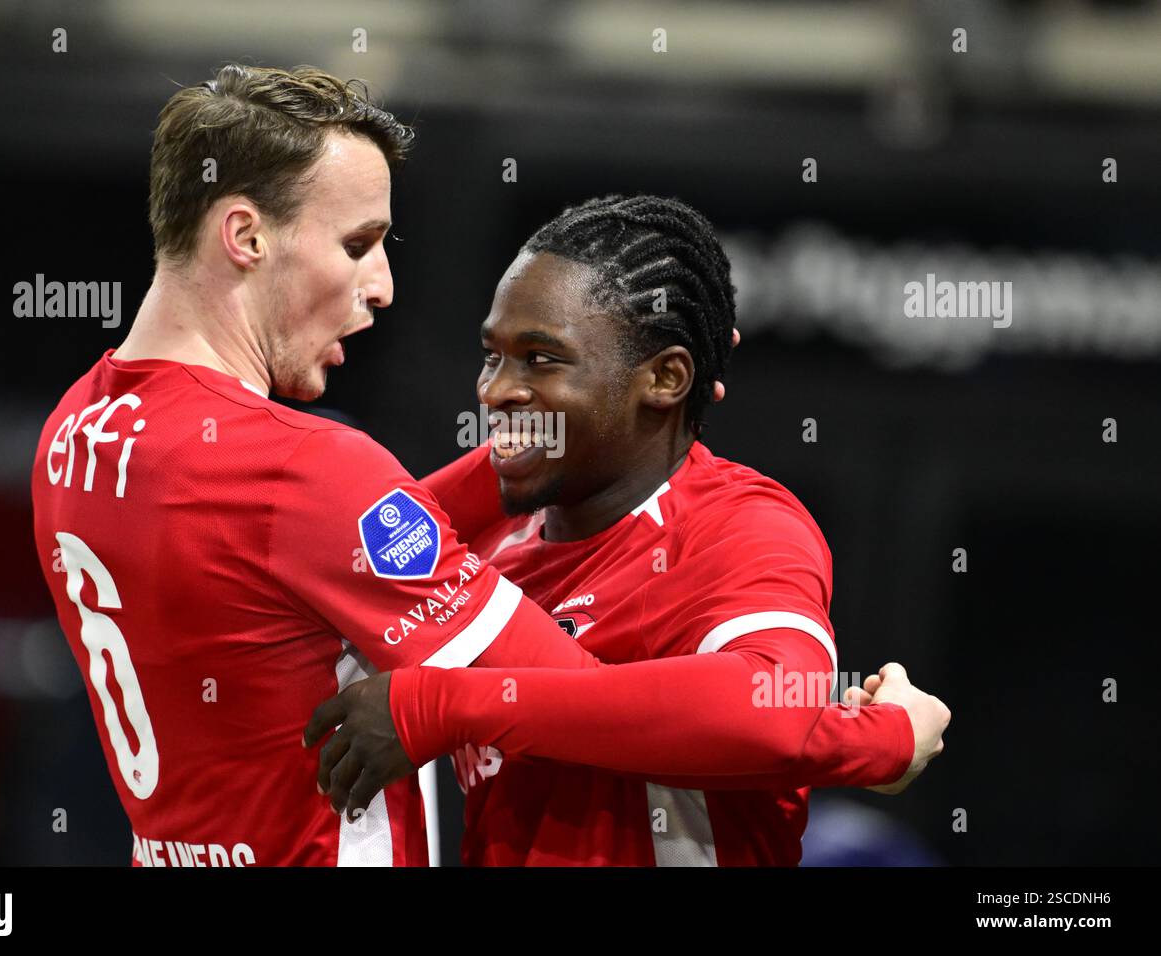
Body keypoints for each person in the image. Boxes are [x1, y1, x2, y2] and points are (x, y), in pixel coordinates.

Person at [30, 63, 605, 867]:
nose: (383, 287)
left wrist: (532, 451)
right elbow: (582, 707)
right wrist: (816, 725)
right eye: (358, 244)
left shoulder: (74, 430)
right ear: (246, 236)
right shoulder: (301, 467)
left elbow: (308, 550)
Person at [306, 195, 951, 866]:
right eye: (491, 355)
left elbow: (772, 709)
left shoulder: (738, 524)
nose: (494, 389)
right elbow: (350, 547)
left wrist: (453, 704)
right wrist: (887, 739)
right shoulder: (488, 538)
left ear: (665, 377)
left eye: (540, 359)